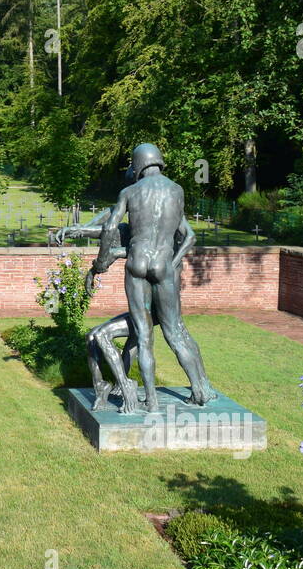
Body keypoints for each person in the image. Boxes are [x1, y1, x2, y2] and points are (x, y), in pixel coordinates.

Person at [51, 143, 217, 411]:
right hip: (164, 267)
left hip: (138, 264)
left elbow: (110, 226)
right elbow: (186, 234)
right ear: (159, 162)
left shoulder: (130, 192)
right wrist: (172, 263)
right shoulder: (176, 190)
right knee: (176, 332)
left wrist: (99, 265)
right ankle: (200, 389)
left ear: (138, 164)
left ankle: (150, 401)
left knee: (143, 336)